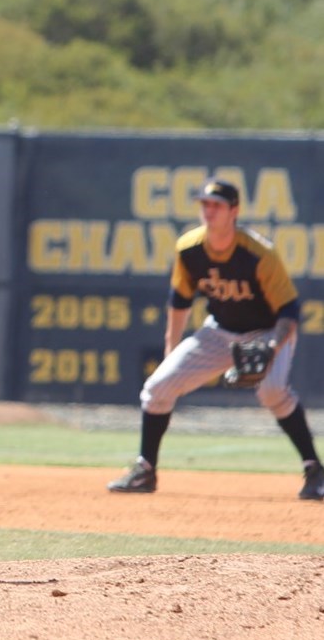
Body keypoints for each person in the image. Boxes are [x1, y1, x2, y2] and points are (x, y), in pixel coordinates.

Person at [108, 179, 321, 499]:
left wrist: (272, 347)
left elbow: (289, 310)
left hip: (267, 332)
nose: (209, 211)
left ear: (234, 211)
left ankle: (315, 470)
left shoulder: (258, 253)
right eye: (205, 204)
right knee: (158, 387)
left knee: (273, 391)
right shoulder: (189, 248)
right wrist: (171, 353)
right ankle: (145, 471)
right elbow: (180, 302)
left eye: (217, 205)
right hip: (219, 331)